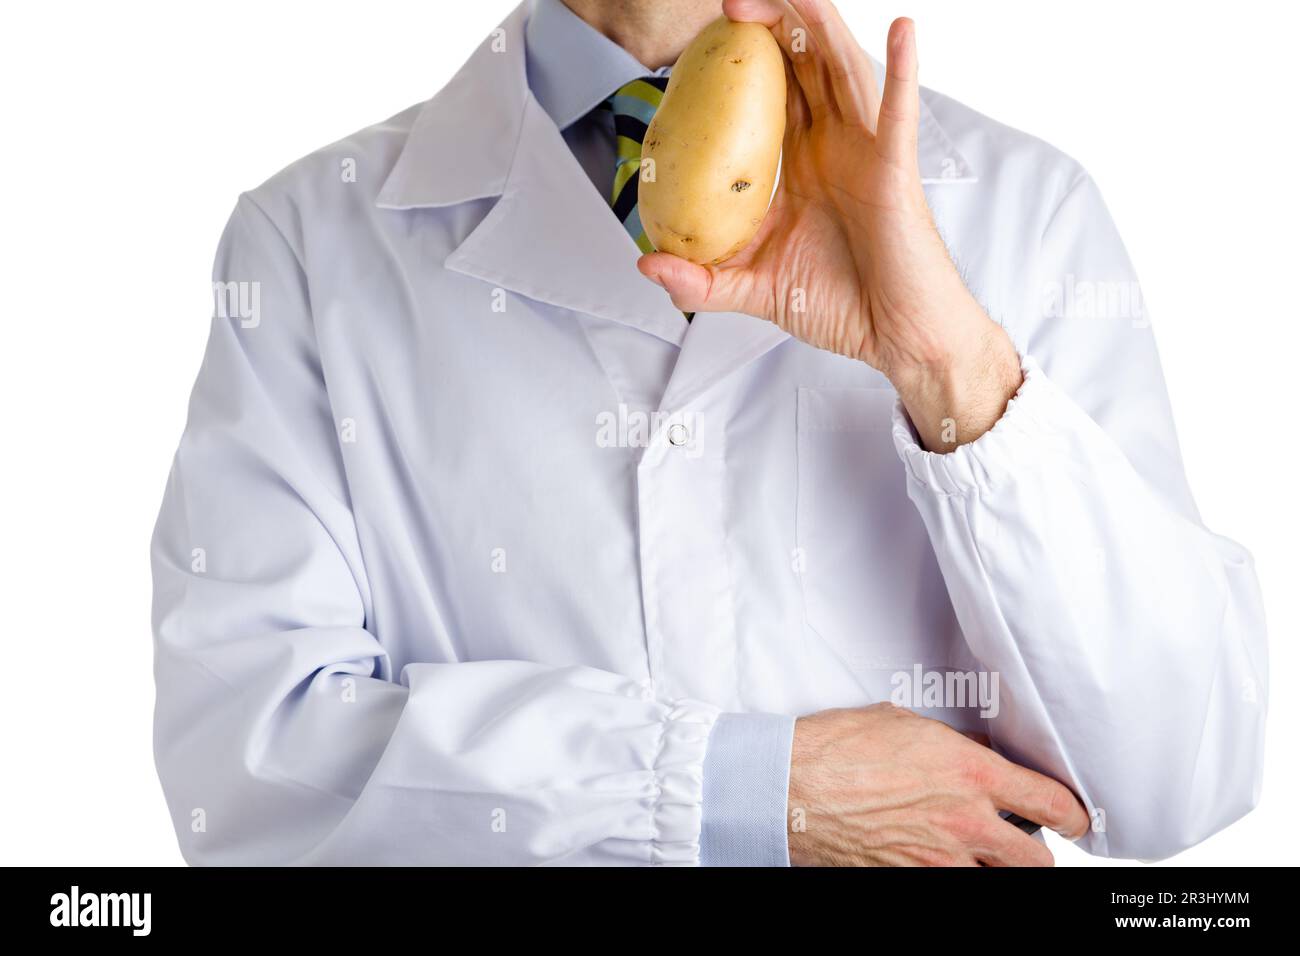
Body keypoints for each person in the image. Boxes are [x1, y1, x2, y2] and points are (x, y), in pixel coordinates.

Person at [151, 0, 1267, 866]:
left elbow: (1175, 778)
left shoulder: (1022, 206)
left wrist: (948, 368)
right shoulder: (307, 243)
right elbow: (250, 770)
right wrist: (748, 789)